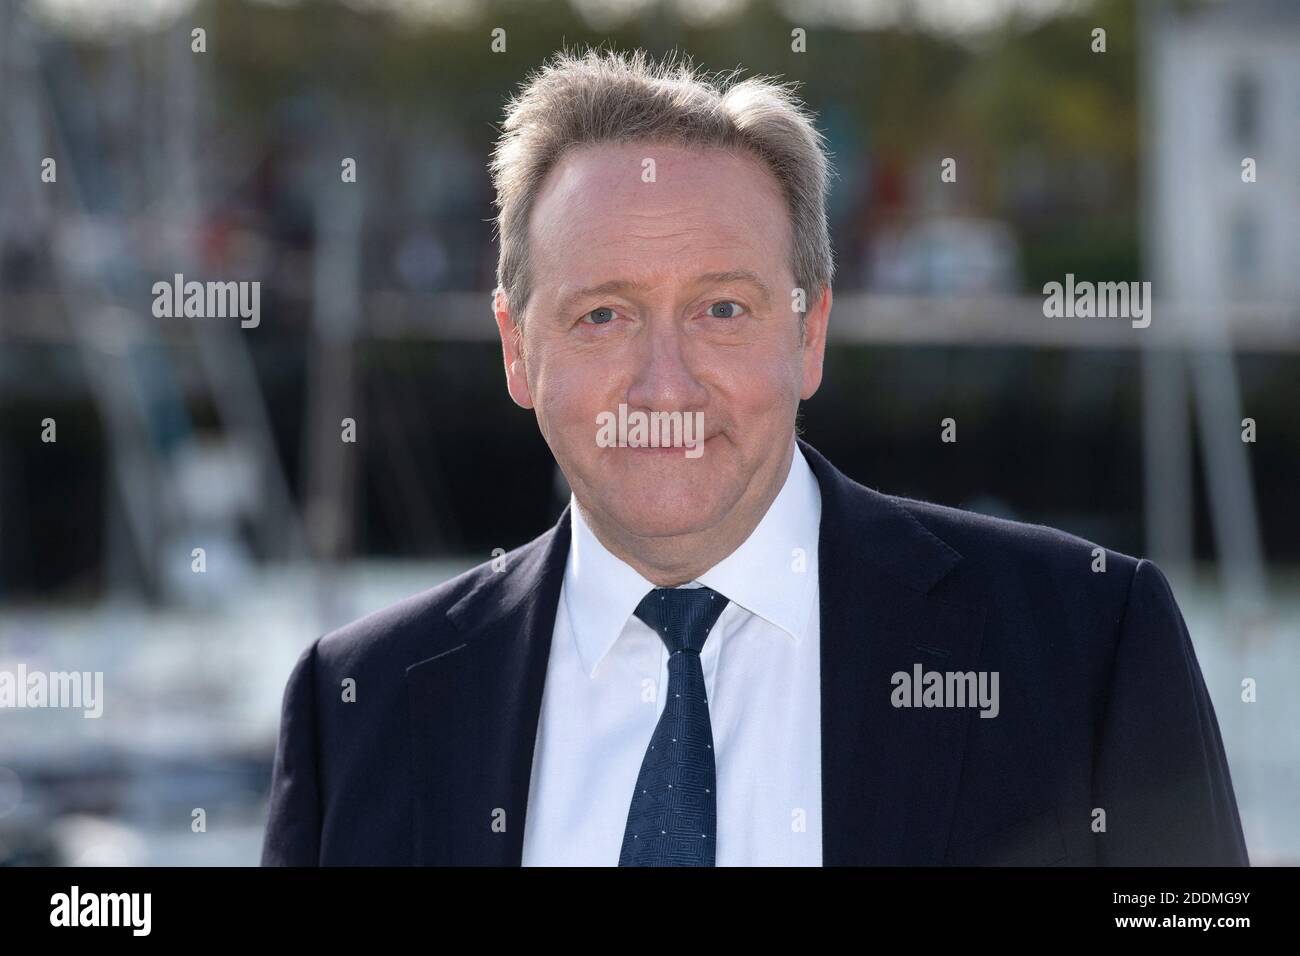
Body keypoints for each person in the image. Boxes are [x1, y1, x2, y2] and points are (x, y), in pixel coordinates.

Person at [261, 47, 1248, 866]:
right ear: (517, 349)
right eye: (603, 314)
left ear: (809, 332)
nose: (664, 384)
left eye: (721, 309)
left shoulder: (1083, 652)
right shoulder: (356, 711)